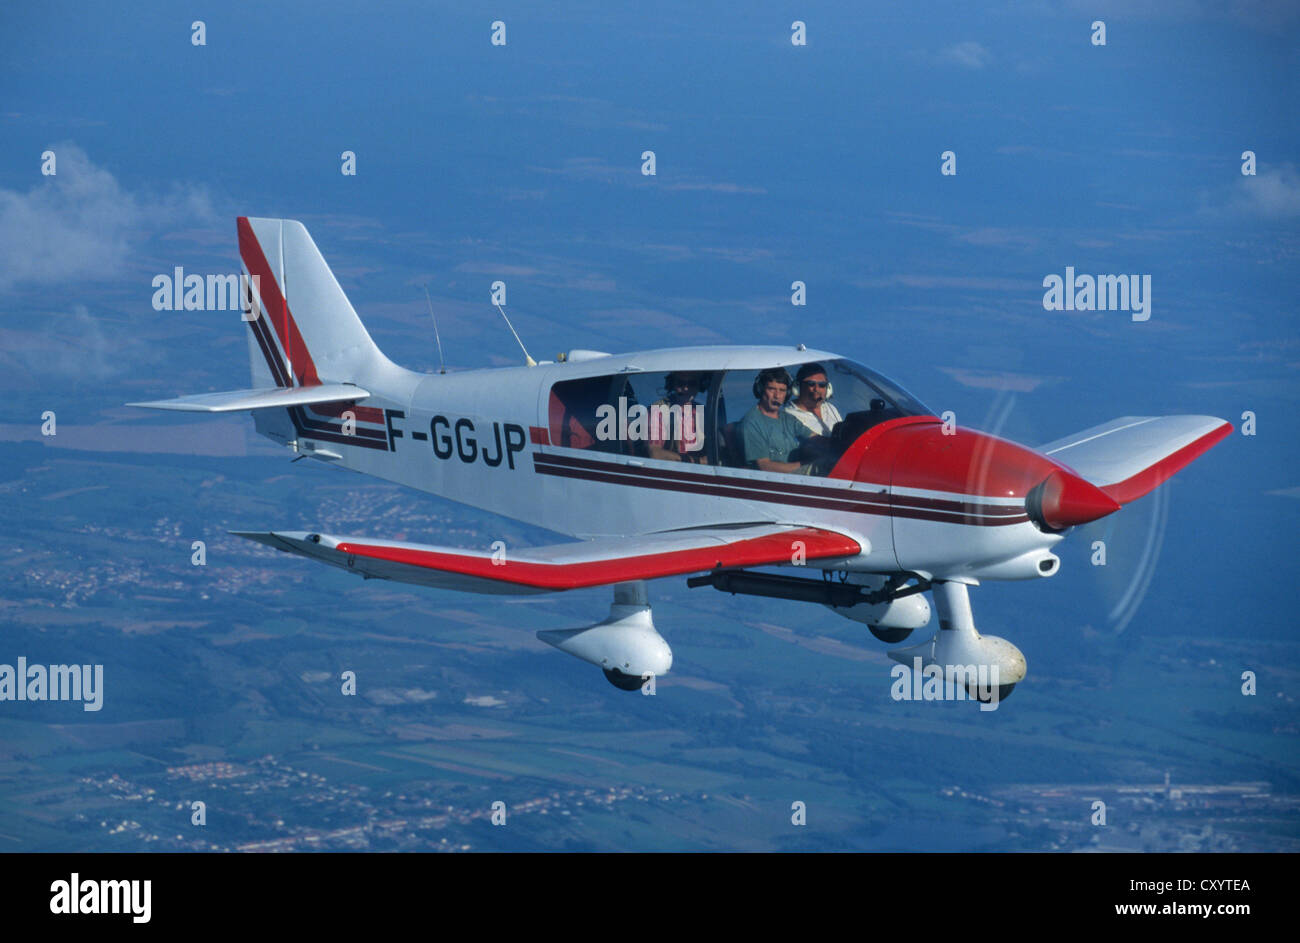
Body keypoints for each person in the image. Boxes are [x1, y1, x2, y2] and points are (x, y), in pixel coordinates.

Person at [739, 367, 815, 474]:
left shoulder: (787, 419)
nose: (777, 395)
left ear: (787, 393)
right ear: (760, 390)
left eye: (782, 390)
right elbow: (764, 466)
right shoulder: (752, 422)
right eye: (771, 389)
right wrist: (806, 465)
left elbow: (814, 438)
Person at [648, 371, 707, 463]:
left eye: (692, 384)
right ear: (672, 384)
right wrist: (695, 461)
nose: (686, 388)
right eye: (680, 384)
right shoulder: (659, 410)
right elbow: (654, 453)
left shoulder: (704, 412)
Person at [785, 363, 842, 436]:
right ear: (798, 387)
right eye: (811, 384)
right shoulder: (788, 414)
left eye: (822, 385)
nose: (817, 389)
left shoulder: (830, 408)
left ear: (828, 388)